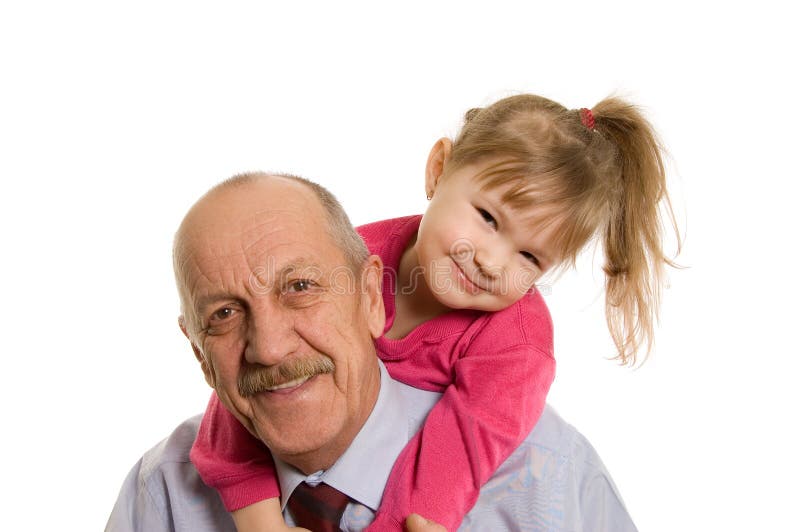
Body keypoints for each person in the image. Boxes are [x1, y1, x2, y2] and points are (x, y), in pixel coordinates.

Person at [192, 95, 678, 530]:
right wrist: (258, 519)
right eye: (487, 218)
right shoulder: (350, 257)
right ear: (438, 169)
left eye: (529, 257)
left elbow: (456, 455)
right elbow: (258, 362)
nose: (491, 260)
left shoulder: (516, 346)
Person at [106, 173, 638, 531]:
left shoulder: (548, 476)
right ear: (199, 354)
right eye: (224, 314)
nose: (268, 349)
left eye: (300, 287)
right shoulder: (163, 496)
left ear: (368, 296)